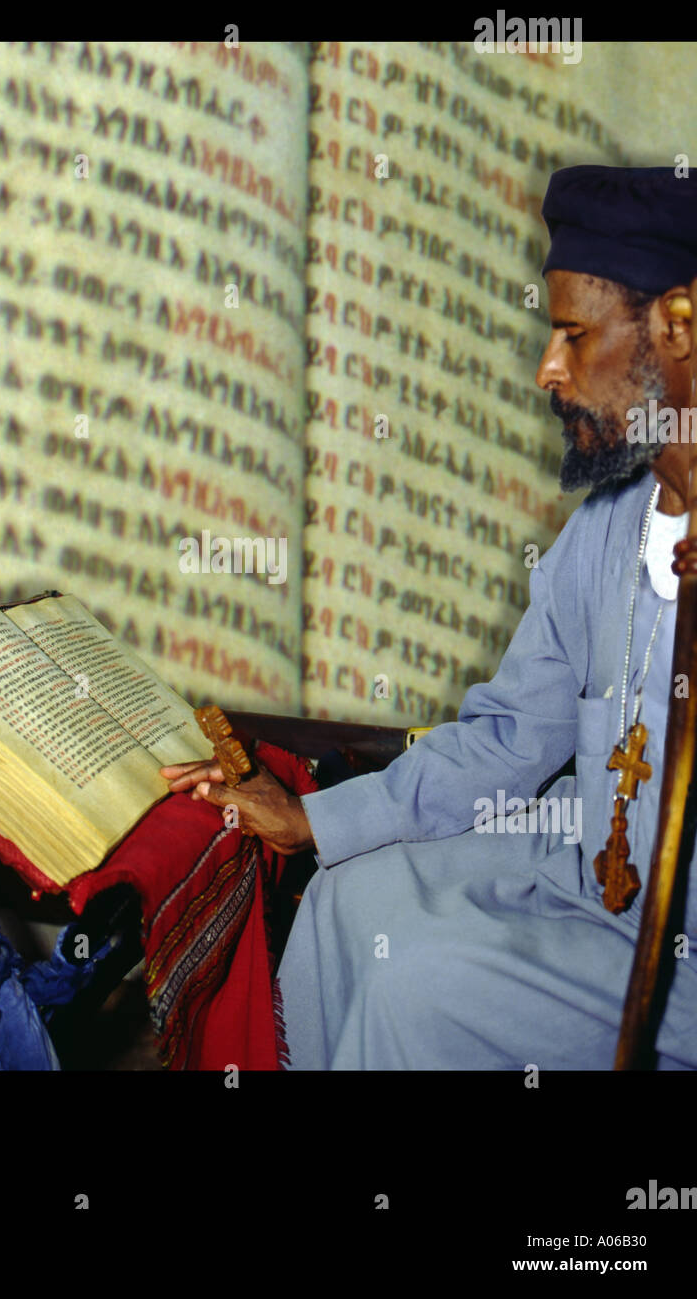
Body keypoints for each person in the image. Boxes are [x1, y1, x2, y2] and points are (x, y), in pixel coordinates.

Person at [161, 166, 697, 1069]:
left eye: (575, 334)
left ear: (680, 326)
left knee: (418, 985)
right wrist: (315, 821)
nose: (548, 371)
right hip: (582, 873)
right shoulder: (607, 528)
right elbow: (505, 741)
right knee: (344, 898)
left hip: (677, 962)